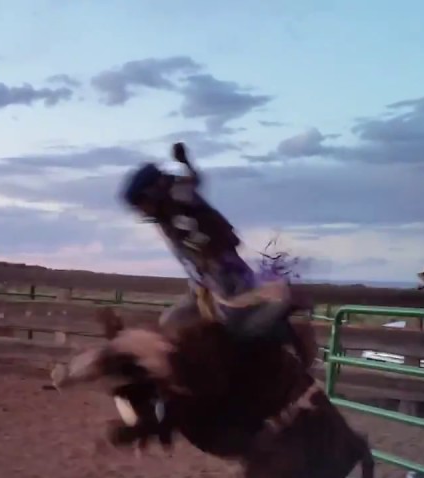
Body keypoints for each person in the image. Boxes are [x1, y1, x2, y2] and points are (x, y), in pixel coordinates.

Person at [120, 142, 302, 349]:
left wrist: (201, 244)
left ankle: (284, 349)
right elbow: (194, 180)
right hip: (202, 287)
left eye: (141, 204)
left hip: (229, 281)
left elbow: (209, 239)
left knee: (237, 331)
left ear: (153, 193)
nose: (142, 212)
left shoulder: (182, 203)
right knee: (171, 322)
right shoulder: (167, 216)